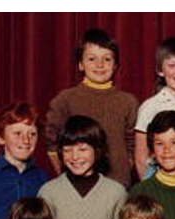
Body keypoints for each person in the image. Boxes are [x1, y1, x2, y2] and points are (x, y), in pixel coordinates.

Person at [45, 28, 138, 187]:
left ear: (115, 65)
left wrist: (123, 171)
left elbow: (133, 144)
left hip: (118, 184)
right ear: (81, 64)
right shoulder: (65, 100)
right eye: (92, 59)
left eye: (107, 59)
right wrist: (66, 172)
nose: (100, 65)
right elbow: (52, 142)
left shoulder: (128, 101)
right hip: (76, 185)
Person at [38, 115, 125, 219]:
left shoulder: (116, 192)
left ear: (97, 151)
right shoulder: (49, 192)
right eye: (68, 149)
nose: (74, 156)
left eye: (82, 149)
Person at [134, 36, 175, 180]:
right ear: (160, 70)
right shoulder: (150, 107)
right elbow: (141, 159)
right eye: (172, 65)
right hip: (158, 180)